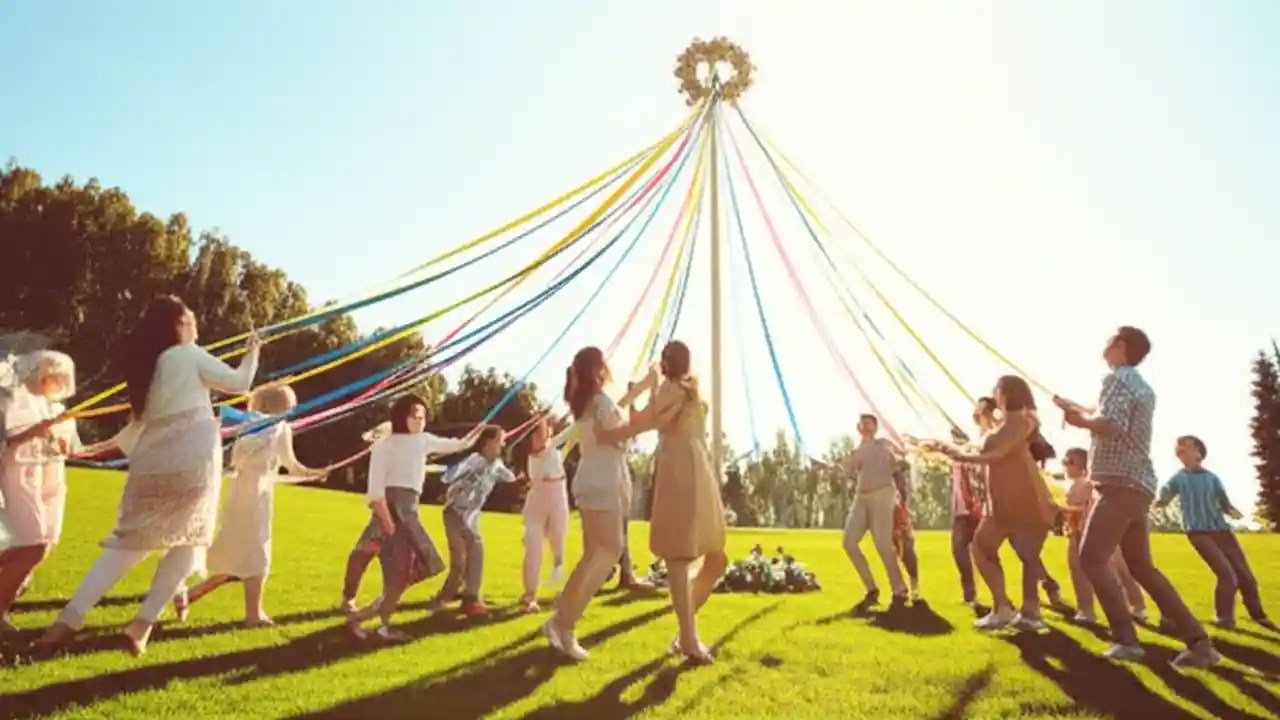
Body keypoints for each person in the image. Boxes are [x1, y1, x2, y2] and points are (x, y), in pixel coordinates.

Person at [37, 296, 261, 656]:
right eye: (190, 319)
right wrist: (254, 350)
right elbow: (240, 382)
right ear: (177, 324)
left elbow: (135, 429)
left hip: (152, 461)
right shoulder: (187, 353)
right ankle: (142, 623)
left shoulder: (146, 367)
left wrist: (90, 450)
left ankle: (67, 619)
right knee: (190, 541)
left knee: (128, 544)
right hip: (193, 459)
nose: (195, 326)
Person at [1056, 325, 1220, 666]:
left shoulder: (1115, 379)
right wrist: (1080, 414)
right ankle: (1199, 645)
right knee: (1142, 567)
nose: (1104, 342)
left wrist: (1081, 422)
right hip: (1138, 485)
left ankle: (1127, 640)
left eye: (1110, 338)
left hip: (1117, 483)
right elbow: (1110, 418)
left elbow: (1111, 424)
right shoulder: (1139, 386)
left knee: (1090, 558)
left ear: (1120, 345)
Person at [174, 385, 327, 626]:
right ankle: (253, 615)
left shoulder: (247, 425)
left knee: (238, 556)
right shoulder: (280, 428)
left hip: (239, 492)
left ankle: (187, 596)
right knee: (257, 556)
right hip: (257, 496)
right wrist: (316, 473)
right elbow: (293, 465)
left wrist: (313, 474)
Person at [543, 346, 652, 662]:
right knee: (609, 552)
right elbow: (610, 433)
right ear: (599, 368)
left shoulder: (592, 401)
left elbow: (613, 415)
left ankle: (561, 621)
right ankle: (564, 623)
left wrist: (640, 393)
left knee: (595, 555)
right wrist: (643, 421)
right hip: (602, 482)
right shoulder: (598, 402)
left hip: (596, 479)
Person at [345, 396, 481, 641]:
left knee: (419, 567)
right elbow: (376, 492)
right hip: (390, 510)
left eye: (423, 417)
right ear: (401, 416)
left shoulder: (423, 441)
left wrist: (477, 433)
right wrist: (388, 525)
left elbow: (457, 445)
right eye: (414, 416)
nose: (420, 421)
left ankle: (366, 617)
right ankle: (374, 620)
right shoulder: (384, 445)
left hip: (409, 512)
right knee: (389, 566)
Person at [630, 340, 727, 664]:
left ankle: (684, 632)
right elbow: (651, 422)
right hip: (679, 469)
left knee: (716, 558)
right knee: (679, 554)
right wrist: (648, 387)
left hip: (698, 468)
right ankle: (688, 636)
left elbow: (656, 420)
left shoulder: (686, 389)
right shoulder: (672, 389)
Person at [944, 376, 1058, 631]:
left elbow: (998, 454)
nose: (993, 393)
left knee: (1027, 555)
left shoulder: (1024, 421)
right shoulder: (1002, 422)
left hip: (1025, 495)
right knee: (981, 547)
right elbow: (988, 449)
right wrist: (951, 450)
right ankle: (1003, 607)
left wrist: (960, 456)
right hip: (1001, 499)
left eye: (997, 389)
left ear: (1006, 392)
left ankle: (1030, 613)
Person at [1155, 435, 1272, 630]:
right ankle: (1223, 618)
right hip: (1198, 532)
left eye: (1185, 447)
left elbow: (1224, 503)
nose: (1180, 450)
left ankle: (1257, 615)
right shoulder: (1178, 478)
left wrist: (1232, 511)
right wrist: (1159, 500)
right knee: (1227, 576)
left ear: (1199, 453)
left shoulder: (1212, 478)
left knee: (1245, 575)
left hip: (1222, 531)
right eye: (1178, 448)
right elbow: (1165, 495)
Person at [0, 351, 79, 631]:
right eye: (51, 374)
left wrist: (58, 439)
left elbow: (69, 449)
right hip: (21, 473)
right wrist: (38, 430)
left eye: (61, 375)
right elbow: (9, 437)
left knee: (42, 545)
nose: (57, 380)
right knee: (32, 545)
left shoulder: (60, 410)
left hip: (51, 476)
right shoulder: (15, 400)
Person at [428, 425, 516, 617]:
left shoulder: (497, 464)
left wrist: (510, 469)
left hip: (471, 517)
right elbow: (448, 476)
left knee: (464, 559)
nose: (504, 443)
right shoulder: (474, 460)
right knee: (470, 552)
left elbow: (510, 478)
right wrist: (461, 474)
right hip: (455, 513)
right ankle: (468, 599)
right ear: (488, 442)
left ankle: (452, 597)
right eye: (501, 440)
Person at [1061, 447, 1147, 624]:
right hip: (1092, 532)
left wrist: (1060, 508)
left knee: (1083, 571)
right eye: (1065, 462)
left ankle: (1088, 610)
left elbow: (1084, 509)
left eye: (1070, 462)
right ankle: (1136, 607)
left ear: (1083, 466)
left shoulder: (1082, 484)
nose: (1066, 466)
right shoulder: (1086, 484)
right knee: (1119, 571)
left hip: (1086, 533)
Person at [841, 414, 909, 610]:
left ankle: (899, 589)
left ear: (875, 426)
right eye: (861, 422)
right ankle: (871, 588)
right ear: (858, 427)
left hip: (883, 494)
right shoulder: (857, 451)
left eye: (868, 422)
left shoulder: (884, 445)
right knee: (849, 542)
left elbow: (899, 467)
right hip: (861, 498)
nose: (864, 425)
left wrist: (903, 498)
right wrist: (822, 467)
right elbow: (845, 471)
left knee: (882, 543)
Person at [520, 417, 573, 612]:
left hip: (557, 499)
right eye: (539, 432)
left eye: (545, 431)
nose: (544, 435)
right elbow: (566, 435)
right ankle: (530, 595)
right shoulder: (536, 456)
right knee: (533, 549)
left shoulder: (553, 449)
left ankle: (559, 570)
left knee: (558, 540)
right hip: (537, 503)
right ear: (532, 437)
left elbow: (569, 433)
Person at [948, 399, 993, 606]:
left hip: (974, 507)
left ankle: (1044, 581)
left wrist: (975, 502)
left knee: (979, 549)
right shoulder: (954, 457)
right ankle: (970, 592)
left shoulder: (972, 449)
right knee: (961, 548)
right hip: (962, 509)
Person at [892, 459, 920, 602]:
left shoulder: (898, 474)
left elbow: (903, 493)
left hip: (899, 514)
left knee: (907, 551)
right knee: (894, 551)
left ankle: (913, 584)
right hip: (886, 513)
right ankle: (899, 586)